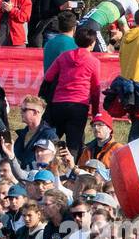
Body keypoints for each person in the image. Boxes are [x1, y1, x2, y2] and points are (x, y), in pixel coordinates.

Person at [40, 24, 102, 155]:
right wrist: (95, 112)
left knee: (50, 140)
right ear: (92, 43)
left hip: (58, 104)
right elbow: (95, 89)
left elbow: (48, 77)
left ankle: (44, 164)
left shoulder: (63, 56)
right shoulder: (94, 62)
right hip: (79, 105)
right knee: (74, 143)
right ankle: (70, 171)